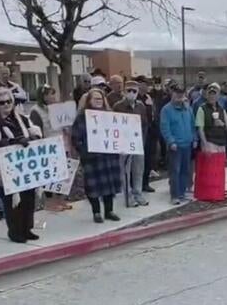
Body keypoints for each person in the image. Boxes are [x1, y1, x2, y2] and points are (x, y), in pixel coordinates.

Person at [0, 86, 43, 242]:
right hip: (6, 165)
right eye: (2, 102)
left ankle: (26, 228)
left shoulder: (21, 118)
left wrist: (34, 136)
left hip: (25, 163)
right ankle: (15, 231)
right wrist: (12, 141)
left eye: (9, 101)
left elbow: (34, 130)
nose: (6, 104)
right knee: (12, 201)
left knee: (28, 198)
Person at [71, 88, 123, 222]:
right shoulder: (82, 117)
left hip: (109, 157)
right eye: (95, 98)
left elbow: (119, 134)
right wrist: (84, 151)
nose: (98, 101)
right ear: (89, 101)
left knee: (109, 185)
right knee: (93, 186)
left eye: (100, 98)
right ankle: (96, 212)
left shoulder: (110, 116)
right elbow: (76, 138)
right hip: (91, 158)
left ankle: (109, 211)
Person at [28, 84, 74, 211]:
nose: (53, 97)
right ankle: (49, 202)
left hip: (62, 144)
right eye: (50, 94)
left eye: (54, 93)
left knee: (63, 174)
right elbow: (36, 130)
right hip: (48, 147)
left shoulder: (58, 108)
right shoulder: (36, 110)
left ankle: (60, 199)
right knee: (49, 176)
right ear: (43, 96)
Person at [114, 80, 150, 207]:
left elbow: (145, 124)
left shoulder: (141, 106)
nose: (131, 93)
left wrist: (142, 140)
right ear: (124, 91)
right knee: (125, 171)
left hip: (138, 143)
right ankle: (128, 196)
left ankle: (138, 193)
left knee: (138, 170)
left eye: (134, 91)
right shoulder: (118, 106)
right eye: (128, 90)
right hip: (124, 144)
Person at [159, 85, 196, 204]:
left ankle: (182, 192)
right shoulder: (166, 110)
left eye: (181, 94)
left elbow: (192, 124)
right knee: (175, 171)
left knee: (186, 170)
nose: (179, 97)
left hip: (187, 143)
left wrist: (194, 138)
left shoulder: (188, 108)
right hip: (175, 145)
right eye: (177, 94)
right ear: (172, 94)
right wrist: (171, 141)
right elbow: (165, 127)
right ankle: (174, 195)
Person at [194, 82, 227, 201]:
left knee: (219, 169)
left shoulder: (221, 108)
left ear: (218, 95)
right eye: (210, 94)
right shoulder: (202, 109)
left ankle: (219, 191)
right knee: (209, 170)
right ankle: (209, 194)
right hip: (210, 141)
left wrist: (222, 123)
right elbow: (200, 128)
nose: (212, 96)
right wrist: (204, 144)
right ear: (207, 95)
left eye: (214, 94)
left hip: (221, 141)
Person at [137, 78, 158, 193]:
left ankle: (145, 183)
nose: (144, 87)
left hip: (150, 132)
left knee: (148, 159)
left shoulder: (149, 98)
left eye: (145, 85)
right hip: (139, 133)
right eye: (141, 85)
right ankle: (136, 185)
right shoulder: (135, 98)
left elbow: (154, 113)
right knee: (138, 161)